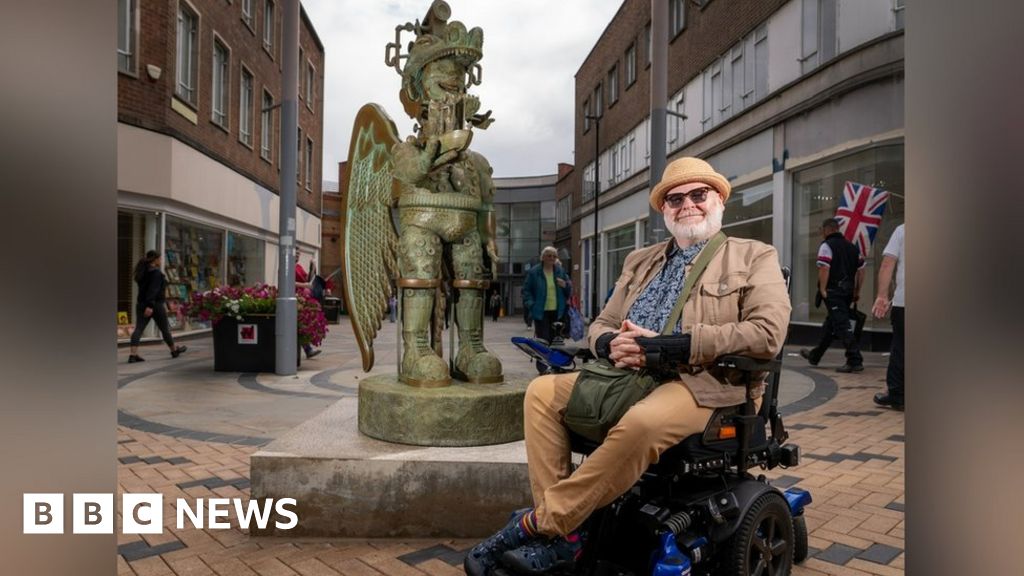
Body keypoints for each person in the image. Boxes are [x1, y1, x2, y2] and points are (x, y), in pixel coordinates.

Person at [465, 157, 790, 576]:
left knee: (641, 424)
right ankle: (568, 539)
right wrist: (608, 342)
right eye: (675, 198)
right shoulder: (641, 260)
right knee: (541, 394)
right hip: (628, 376)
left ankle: (544, 524)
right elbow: (601, 322)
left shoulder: (753, 255)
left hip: (706, 383)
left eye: (698, 194)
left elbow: (767, 334)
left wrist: (672, 347)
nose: (687, 204)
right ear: (664, 210)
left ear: (719, 199)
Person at [800, 218, 865, 373]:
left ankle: (855, 360)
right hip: (848, 292)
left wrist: (823, 289)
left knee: (842, 325)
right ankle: (815, 356)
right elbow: (861, 271)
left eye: (821, 230)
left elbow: (824, 268)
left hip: (833, 293)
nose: (821, 233)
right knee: (831, 325)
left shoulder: (826, 246)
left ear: (828, 229)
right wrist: (857, 290)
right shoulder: (853, 247)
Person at [128, 250, 187, 363]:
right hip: (154, 305)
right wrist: (150, 306)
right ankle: (174, 351)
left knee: (139, 328)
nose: (161, 261)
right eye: (159, 259)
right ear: (154, 260)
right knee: (165, 329)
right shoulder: (155, 273)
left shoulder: (142, 271)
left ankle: (133, 355)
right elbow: (153, 290)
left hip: (141, 304)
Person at [522, 247, 573, 372]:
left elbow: (569, 291)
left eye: (554, 256)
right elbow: (526, 291)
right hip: (541, 312)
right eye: (549, 256)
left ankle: (555, 366)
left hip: (558, 312)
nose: (551, 258)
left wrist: (565, 285)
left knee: (555, 341)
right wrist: (531, 305)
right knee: (543, 340)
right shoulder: (534, 272)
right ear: (543, 257)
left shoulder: (560, 271)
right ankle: (543, 368)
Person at [871, 223, 905, 410]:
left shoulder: (902, 230)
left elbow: (887, 264)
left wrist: (882, 296)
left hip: (905, 302)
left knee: (901, 347)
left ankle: (898, 395)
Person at [294, 248, 322, 359]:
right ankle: (307, 350)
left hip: (301, 299)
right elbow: (288, 281)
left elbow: (308, 279)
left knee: (301, 324)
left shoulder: (298, 267)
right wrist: (305, 286)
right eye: (295, 253)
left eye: (298, 254)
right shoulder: (286, 266)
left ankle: (308, 349)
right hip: (293, 298)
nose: (297, 256)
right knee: (298, 324)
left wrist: (313, 267)